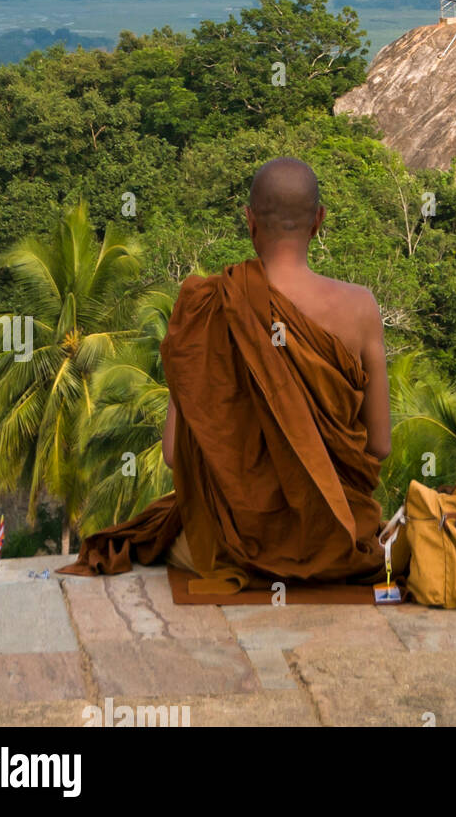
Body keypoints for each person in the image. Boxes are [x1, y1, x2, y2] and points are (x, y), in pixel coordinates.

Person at [58, 158, 392, 593]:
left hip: (229, 547)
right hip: (336, 542)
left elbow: (176, 453)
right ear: (319, 221)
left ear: (250, 221)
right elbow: (380, 445)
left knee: (168, 533)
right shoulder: (361, 308)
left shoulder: (208, 306)